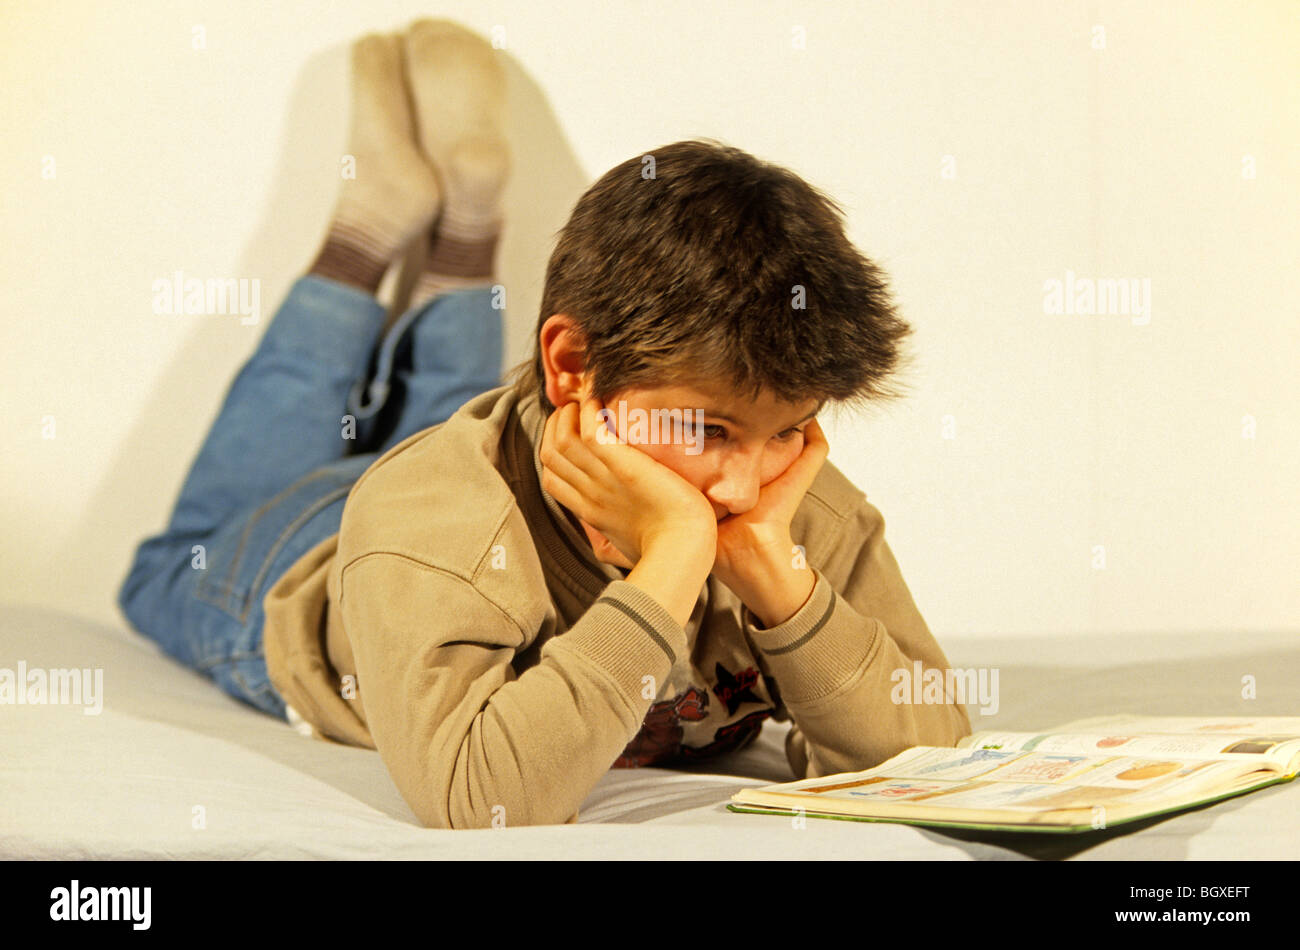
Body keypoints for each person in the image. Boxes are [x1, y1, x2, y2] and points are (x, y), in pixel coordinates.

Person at [118, 19, 972, 831]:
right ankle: (367, 233)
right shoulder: (427, 517)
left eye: (788, 431)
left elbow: (937, 755)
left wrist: (784, 587)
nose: (746, 489)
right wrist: (674, 558)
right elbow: (480, 801)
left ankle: (457, 226)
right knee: (164, 566)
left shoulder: (788, 507)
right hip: (315, 548)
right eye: (707, 430)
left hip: (466, 495)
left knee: (450, 438)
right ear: (571, 367)